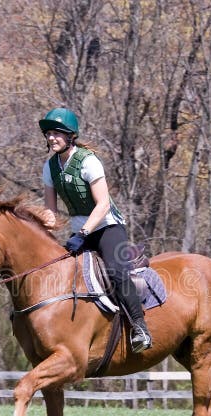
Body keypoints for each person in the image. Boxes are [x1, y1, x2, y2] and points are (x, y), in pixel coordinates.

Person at [39, 107, 153, 353]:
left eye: (57, 133)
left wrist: (83, 234)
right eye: (48, 133)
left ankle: (140, 326)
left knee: (116, 271)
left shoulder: (88, 161)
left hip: (106, 227)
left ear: (71, 136)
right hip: (79, 234)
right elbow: (50, 210)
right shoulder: (50, 168)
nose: (51, 138)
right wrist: (37, 229)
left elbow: (102, 205)